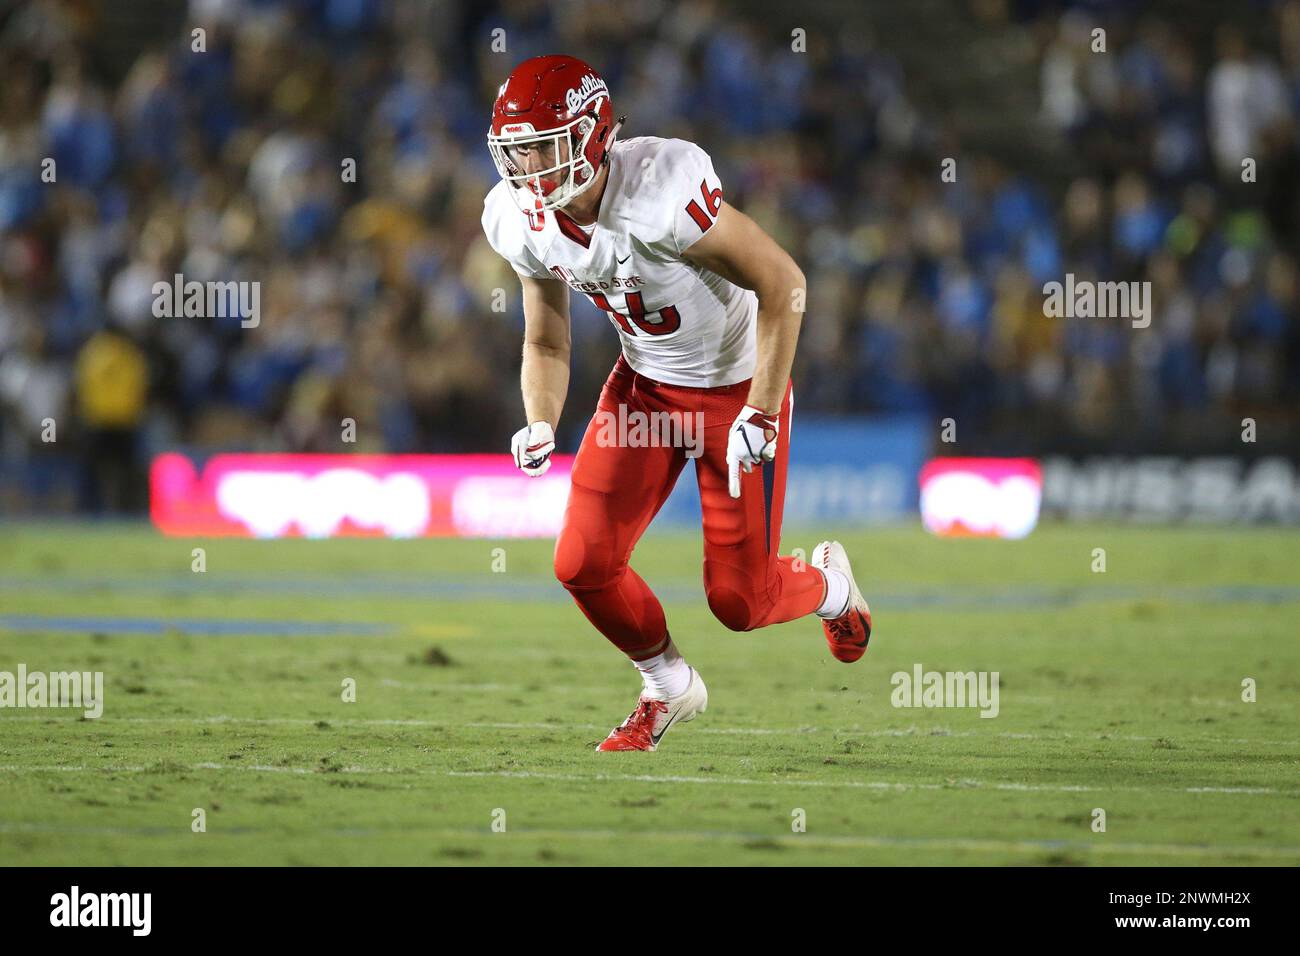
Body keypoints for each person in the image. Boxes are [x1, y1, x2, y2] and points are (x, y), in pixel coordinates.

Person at [481, 55, 872, 752]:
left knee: (740, 602)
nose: (528, 167)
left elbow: (783, 282)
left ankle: (833, 589)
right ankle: (667, 685)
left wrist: (761, 405)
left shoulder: (661, 188)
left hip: (733, 387)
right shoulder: (517, 220)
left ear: (592, 134)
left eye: (543, 144)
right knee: (581, 563)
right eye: (517, 150)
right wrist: (540, 419)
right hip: (646, 392)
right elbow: (545, 340)